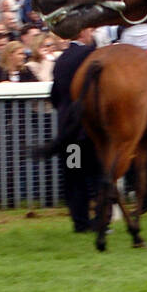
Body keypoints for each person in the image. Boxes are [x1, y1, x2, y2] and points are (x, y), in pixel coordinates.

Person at [49, 27, 99, 232]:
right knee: (97, 175)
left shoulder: (61, 60)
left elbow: (54, 96)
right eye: (90, 30)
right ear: (83, 33)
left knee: (74, 175)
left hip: (67, 130)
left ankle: (80, 221)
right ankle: (100, 220)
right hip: (88, 131)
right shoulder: (91, 54)